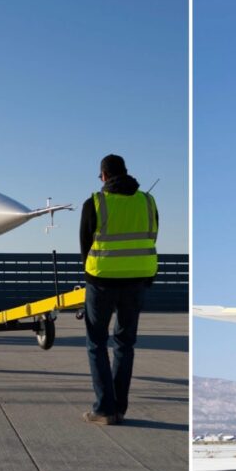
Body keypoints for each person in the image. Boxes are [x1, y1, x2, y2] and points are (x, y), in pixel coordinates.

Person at [80, 154, 158, 425]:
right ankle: (119, 409)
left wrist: (91, 275)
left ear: (103, 175)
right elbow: (152, 236)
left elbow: (85, 246)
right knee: (125, 344)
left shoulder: (95, 203)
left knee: (96, 343)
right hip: (136, 282)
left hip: (101, 282)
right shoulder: (148, 201)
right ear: (126, 172)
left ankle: (104, 409)